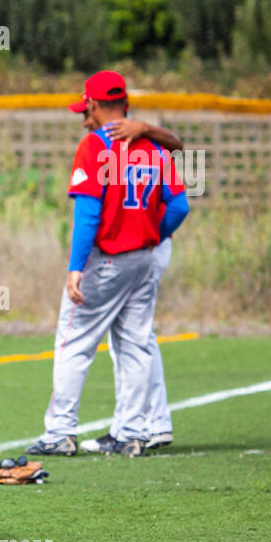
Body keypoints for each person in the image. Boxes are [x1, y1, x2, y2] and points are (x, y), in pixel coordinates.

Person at [25, 70, 190, 459]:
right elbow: (180, 206)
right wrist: (151, 234)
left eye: (87, 108)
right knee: (135, 345)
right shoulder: (154, 149)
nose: (86, 115)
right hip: (144, 259)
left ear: (95, 105)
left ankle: (61, 432)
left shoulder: (93, 147)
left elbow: (88, 213)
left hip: (106, 260)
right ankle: (133, 434)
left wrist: (76, 267)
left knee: (74, 344)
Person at [74, 107, 185, 454]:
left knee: (132, 340)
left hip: (140, 247)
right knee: (137, 337)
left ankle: (140, 427)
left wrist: (151, 235)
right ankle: (147, 425)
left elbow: (179, 197)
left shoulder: (137, 144)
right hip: (147, 245)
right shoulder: (146, 148)